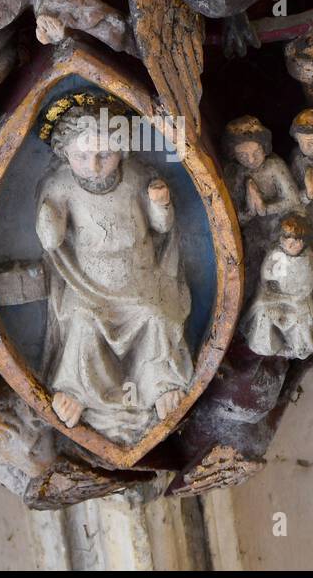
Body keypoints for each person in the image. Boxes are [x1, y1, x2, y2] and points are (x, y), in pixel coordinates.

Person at [35, 97, 194, 443]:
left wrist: (160, 204)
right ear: (65, 154)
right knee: (82, 324)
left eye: (104, 155)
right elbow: (52, 240)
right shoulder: (60, 185)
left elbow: (162, 228)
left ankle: (160, 385)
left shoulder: (138, 177)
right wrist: (49, 219)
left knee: (155, 316)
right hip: (89, 285)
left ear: (121, 151)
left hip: (138, 279)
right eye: (81, 157)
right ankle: (78, 393)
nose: (93, 166)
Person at [242, 213, 313, 359]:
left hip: (300, 300)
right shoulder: (275, 255)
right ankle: (268, 346)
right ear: (282, 240)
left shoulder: (310, 258)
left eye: (299, 242)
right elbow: (265, 280)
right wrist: (277, 294)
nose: (295, 246)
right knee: (265, 313)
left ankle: (299, 348)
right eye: (290, 242)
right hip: (275, 297)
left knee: (300, 320)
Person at [222, 115, 299, 229]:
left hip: (283, 222)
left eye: (256, 152)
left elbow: (293, 199)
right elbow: (235, 217)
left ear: (264, 147)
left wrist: (265, 209)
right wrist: (250, 212)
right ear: (234, 155)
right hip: (256, 228)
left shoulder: (274, 165)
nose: (251, 160)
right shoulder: (236, 174)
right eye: (243, 156)